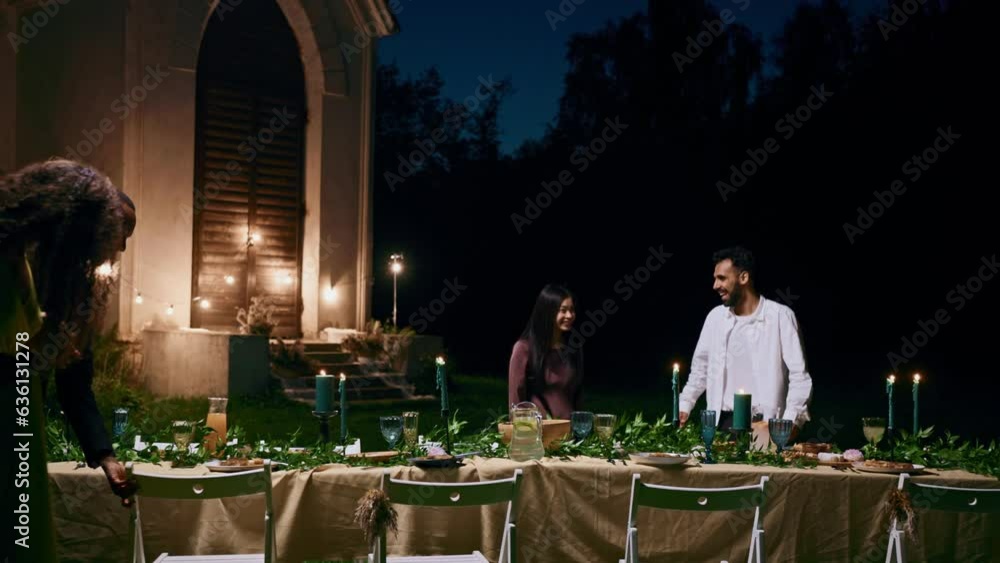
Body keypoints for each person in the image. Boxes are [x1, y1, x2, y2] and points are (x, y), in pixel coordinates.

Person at [2, 159, 138, 562]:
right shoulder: (13, 265)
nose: (119, 246)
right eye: (113, 233)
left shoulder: (56, 282)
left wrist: (105, 455)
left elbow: (73, 380)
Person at [678, 246, 812, 438]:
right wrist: (685, 404)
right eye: (715, 278)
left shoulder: (780, 317)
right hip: (721, 425)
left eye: (722, 278)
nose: (715, 285)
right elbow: (701, 369)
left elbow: (800, 376)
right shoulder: (715, 318)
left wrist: (791, 421)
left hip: (765, 425)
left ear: (743, 278)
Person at [508, 284, 583, 419]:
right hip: (537, 433)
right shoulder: (523, 349)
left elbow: (576, 396)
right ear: (548, 311)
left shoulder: (574, 349)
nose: (569, 315)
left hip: (570, 433)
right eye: (563, 310)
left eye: (572, 310)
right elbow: (516, 400)